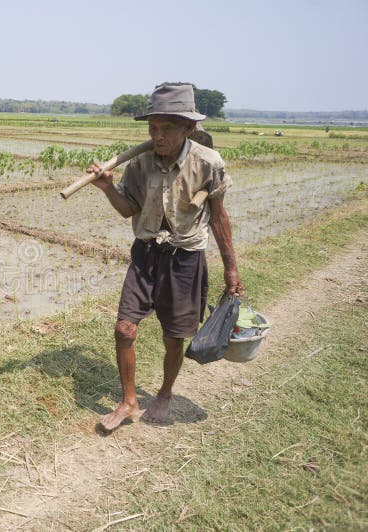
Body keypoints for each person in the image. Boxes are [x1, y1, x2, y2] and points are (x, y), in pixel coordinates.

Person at [87, 83, 244, 431]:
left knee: (174, 336)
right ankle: (129, 401)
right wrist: (108, 188)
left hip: (185, 258)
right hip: (145, 255)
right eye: (152, 127)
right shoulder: (140, 164)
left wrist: (231, 270)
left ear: (188, 128)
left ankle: (165, 393)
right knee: (124, 329)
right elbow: (128, 209)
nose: (157, 136)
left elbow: (219, 218)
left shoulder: (208, 163)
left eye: (167, 128)